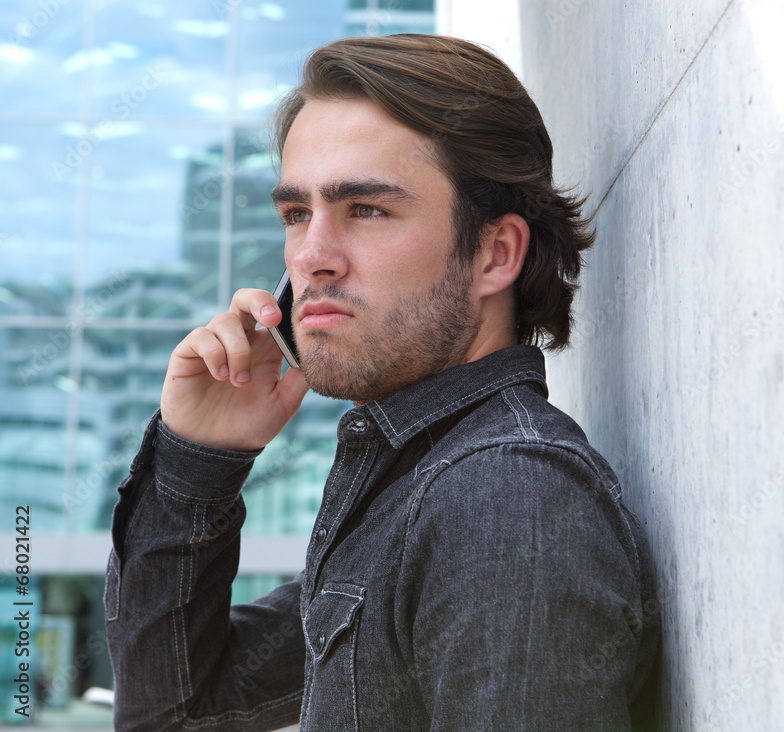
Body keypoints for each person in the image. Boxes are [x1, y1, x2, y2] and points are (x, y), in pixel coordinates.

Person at [105, 33, 660, 731]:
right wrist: (197, 459)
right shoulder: (418, 490)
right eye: (296, 214)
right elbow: (174, 713)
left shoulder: (503, 495)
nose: (310, 257)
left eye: (366, 209)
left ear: (496, 253)